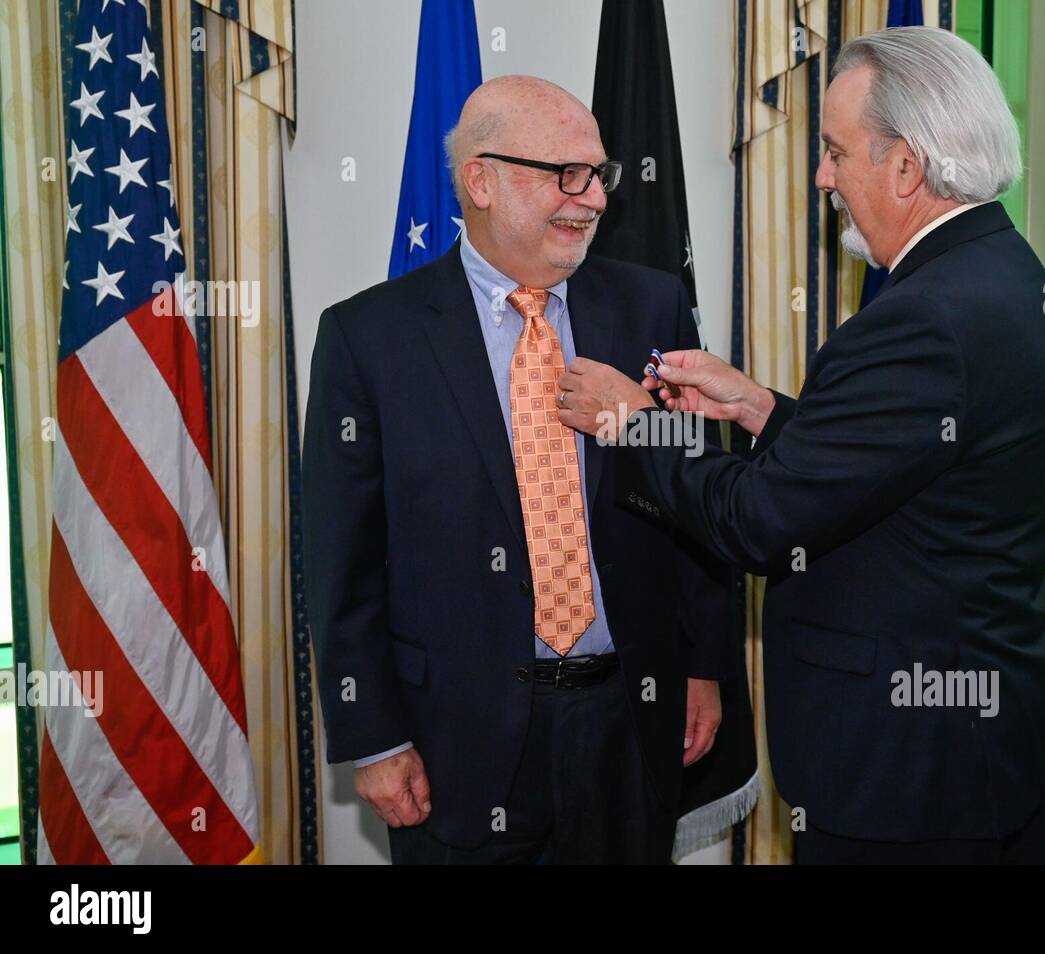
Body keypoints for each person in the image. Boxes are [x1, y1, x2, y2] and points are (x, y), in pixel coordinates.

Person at [556, 27, 1045, 864]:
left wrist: (633, 422)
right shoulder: (1009, 276)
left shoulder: (921, 318)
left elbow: (761, 524)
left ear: (907, 167)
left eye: (836, 151)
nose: (822, 176)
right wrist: (763, 408)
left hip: (902, 776)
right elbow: (910, 470)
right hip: (977, 750)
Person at [303, 75, 729, 864]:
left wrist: (703, 667)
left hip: (628, 718)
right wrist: (374, 738)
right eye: (564, 173)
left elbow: (695, 502)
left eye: (597, 173)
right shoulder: (370, 339)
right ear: (481, 180)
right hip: (452, 742)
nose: (593, 198)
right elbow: (342, 564)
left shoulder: (651, 306)